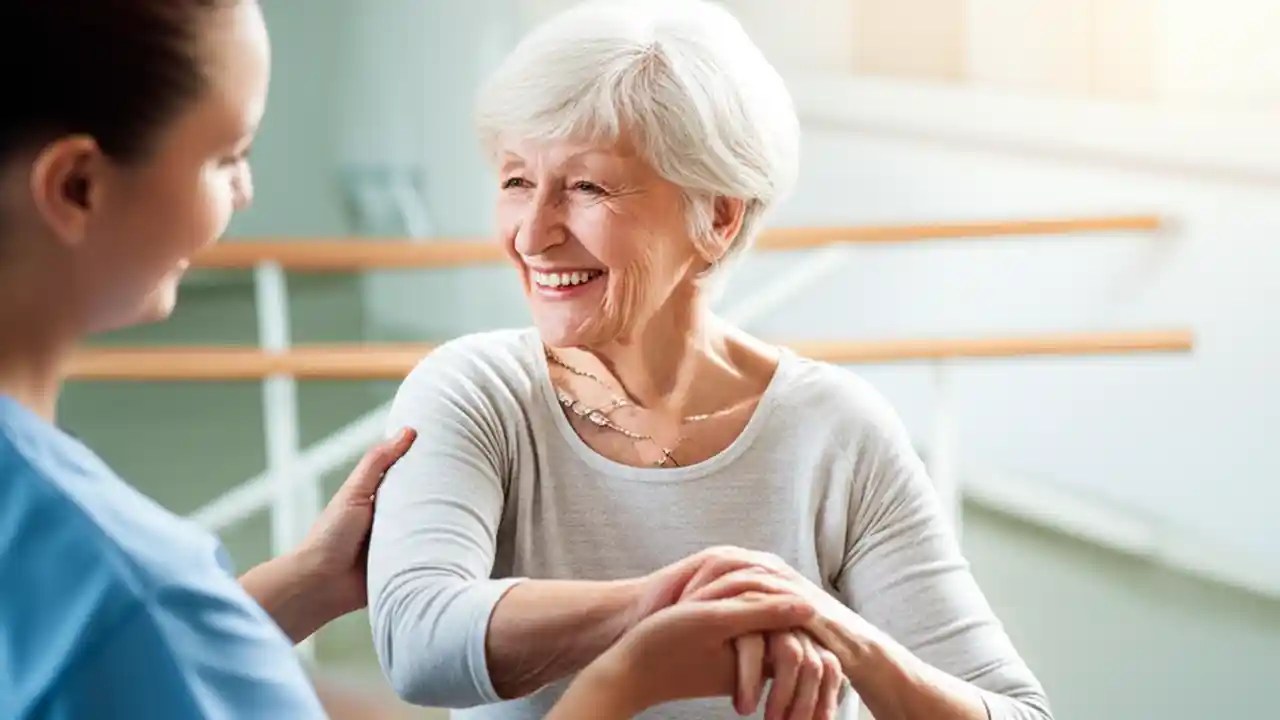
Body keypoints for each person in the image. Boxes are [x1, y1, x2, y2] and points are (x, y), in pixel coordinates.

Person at [0, 2, 822, 718]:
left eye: (588, 187)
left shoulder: (86, 561)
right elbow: (135, 636)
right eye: (225, 157)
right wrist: (631, 664)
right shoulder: (127, 581)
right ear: (76, 187)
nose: (245, 192)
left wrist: (306, 585)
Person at [367, 1, 1054, 719]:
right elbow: (417, 642)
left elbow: (1017, 712)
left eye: (586, 186)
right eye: (515, 181)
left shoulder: (837, 432)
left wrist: (837, 631)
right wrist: (681, 601)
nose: (533, 235)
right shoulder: (475, 392)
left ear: (718, 216)